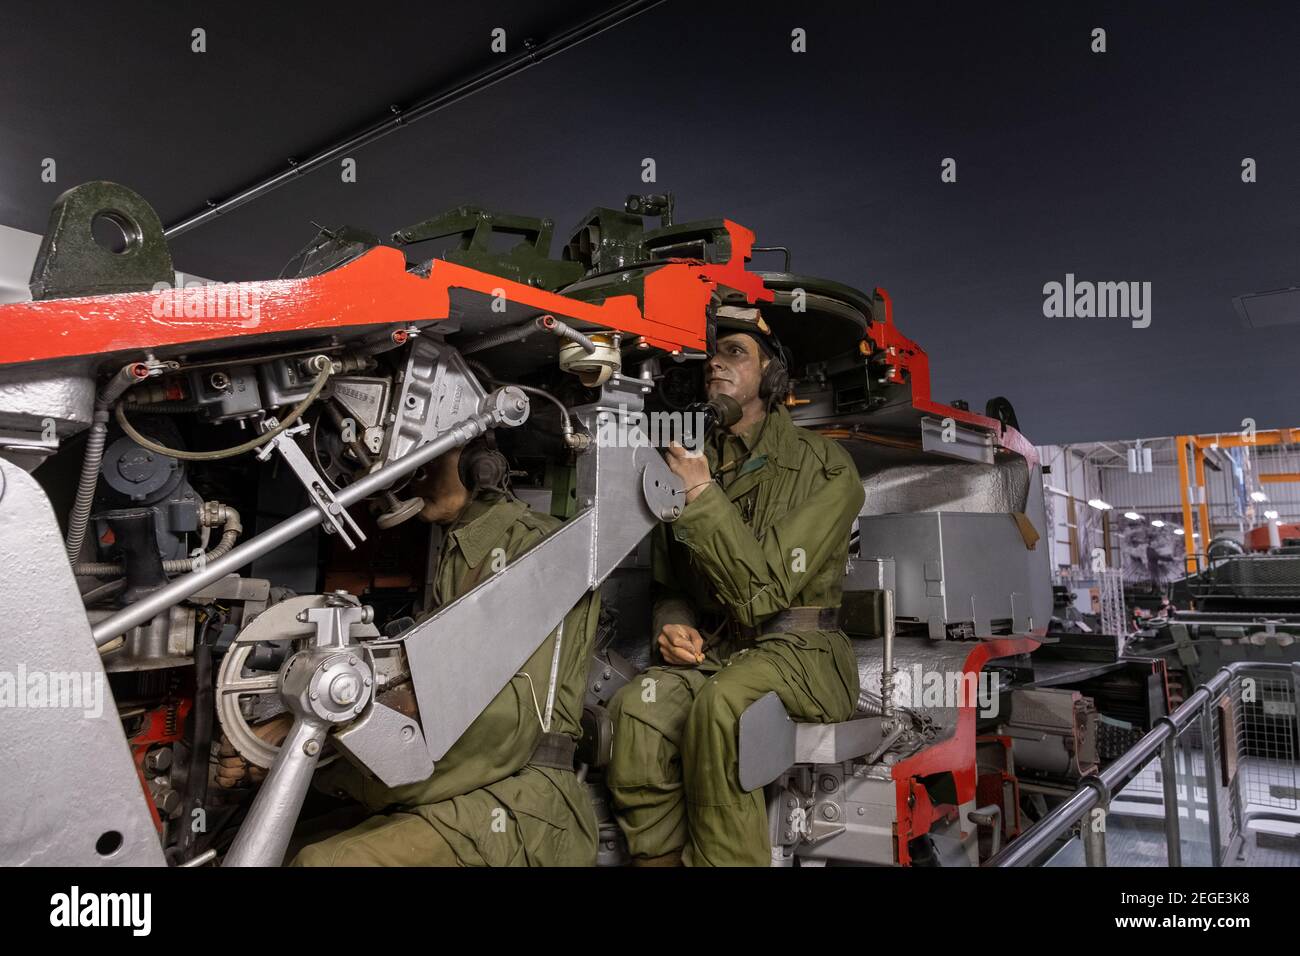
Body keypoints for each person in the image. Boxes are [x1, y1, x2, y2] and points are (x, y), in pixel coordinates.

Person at [606, 305, 865, 866]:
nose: (715, 365)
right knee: (636, 712)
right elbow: (668, 583)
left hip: (804, 652)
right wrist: (671, 625)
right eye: (711, 355)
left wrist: (702, 496)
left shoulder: (825, 466)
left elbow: (763, 590)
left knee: (722, 706)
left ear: (771, 376)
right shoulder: (691, 463)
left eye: (735, 352)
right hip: (722, 650)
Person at [290, 437, 599, 866]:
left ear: (477, 462)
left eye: (423, 458)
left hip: (526, 798)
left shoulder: (537, 548)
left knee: (324, 863)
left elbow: (505, 725)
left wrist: (318, 770)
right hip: (466, 785)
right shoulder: (456, 548)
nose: (408, 475)